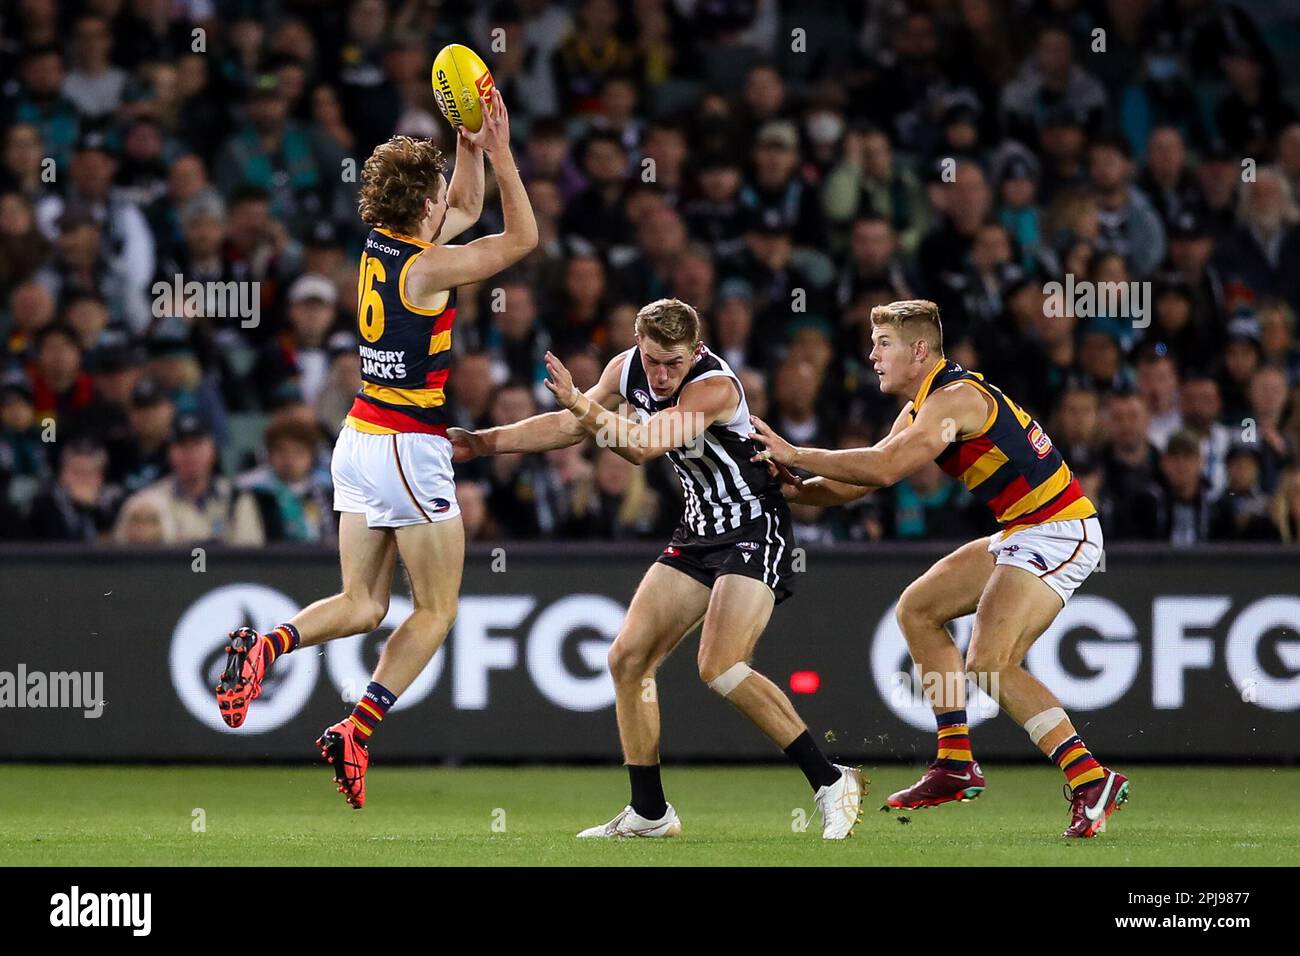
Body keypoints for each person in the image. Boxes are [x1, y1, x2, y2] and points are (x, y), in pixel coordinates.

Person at [215, 90, 537, 810]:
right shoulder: (425, 270)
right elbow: (518, 239)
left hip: (357, 438)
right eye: (437, 202)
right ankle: (358, 727)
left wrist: (468, 142)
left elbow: (465, 207)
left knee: (363, 603)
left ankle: (267, 647)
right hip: (406, 444)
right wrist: (506, 152)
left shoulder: (382, 248)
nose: (444, 208)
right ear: (423, 208)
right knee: (437, 610)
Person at [451, 298, 864, 840]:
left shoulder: (716, 387)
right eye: (652, 360)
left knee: (720, 665)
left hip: (752, 528)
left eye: (672, 361)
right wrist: (485, 443)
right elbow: (571, 427)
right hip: (696, 532)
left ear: (696, 350)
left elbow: (643, 445)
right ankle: (650, 812)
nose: (661, 373)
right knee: (626, 659)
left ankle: (832, 780)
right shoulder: (627, 368)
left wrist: (579, 401)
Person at [750, 299, 1129, 839]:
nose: (872, 355)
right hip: (1023, 530)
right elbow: (863, 479)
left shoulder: (958, 399)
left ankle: (1091, 778)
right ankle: (955, 763)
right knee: (918, 609)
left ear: (920, 350)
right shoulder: (926, 403)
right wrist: (795, 488)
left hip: (1059, 528)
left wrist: (795, 452)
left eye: (884, 344)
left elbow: (884, 468)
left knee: (991, 664)